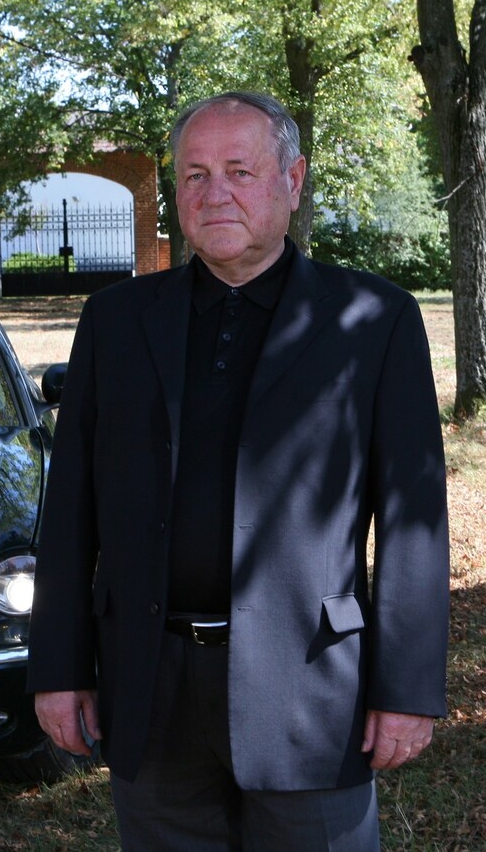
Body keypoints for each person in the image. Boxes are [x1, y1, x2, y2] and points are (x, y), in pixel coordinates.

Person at [27, 92, 450, 851]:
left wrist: (408, 688)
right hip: (149, 687)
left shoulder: (374, 320)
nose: (213, 192)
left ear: (292, 180)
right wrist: (57, 667)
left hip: (311, 690)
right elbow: (69, 509)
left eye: (237, 170)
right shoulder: (115, 321)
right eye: (193, 175)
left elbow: (413, 515)